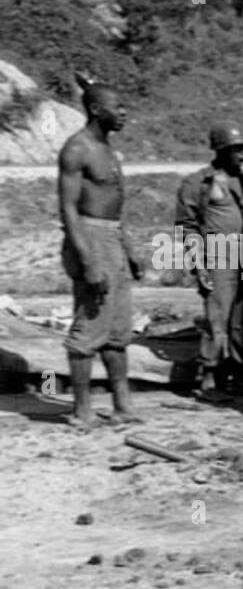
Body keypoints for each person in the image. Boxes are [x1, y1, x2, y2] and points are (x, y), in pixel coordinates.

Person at [57, 76, 143, 428]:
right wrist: (89, 259)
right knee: (90, 327)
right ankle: (82, 411)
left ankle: (122, 406)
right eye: (117, 107)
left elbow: (114, 207)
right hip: (89, 238)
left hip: (111, 238)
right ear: (95, 109)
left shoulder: (109, 150)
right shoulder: (77, 149)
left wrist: (129, 247)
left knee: (118, 330)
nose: (123, 113)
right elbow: (68, 209)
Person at [175, 121, 243, 401]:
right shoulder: (197, 183)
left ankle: (241, 374)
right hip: (217, 255)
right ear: (221, 151)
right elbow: (187, 227)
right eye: (237, 149)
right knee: (216, 317)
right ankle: (209, 377)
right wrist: (198, 264)